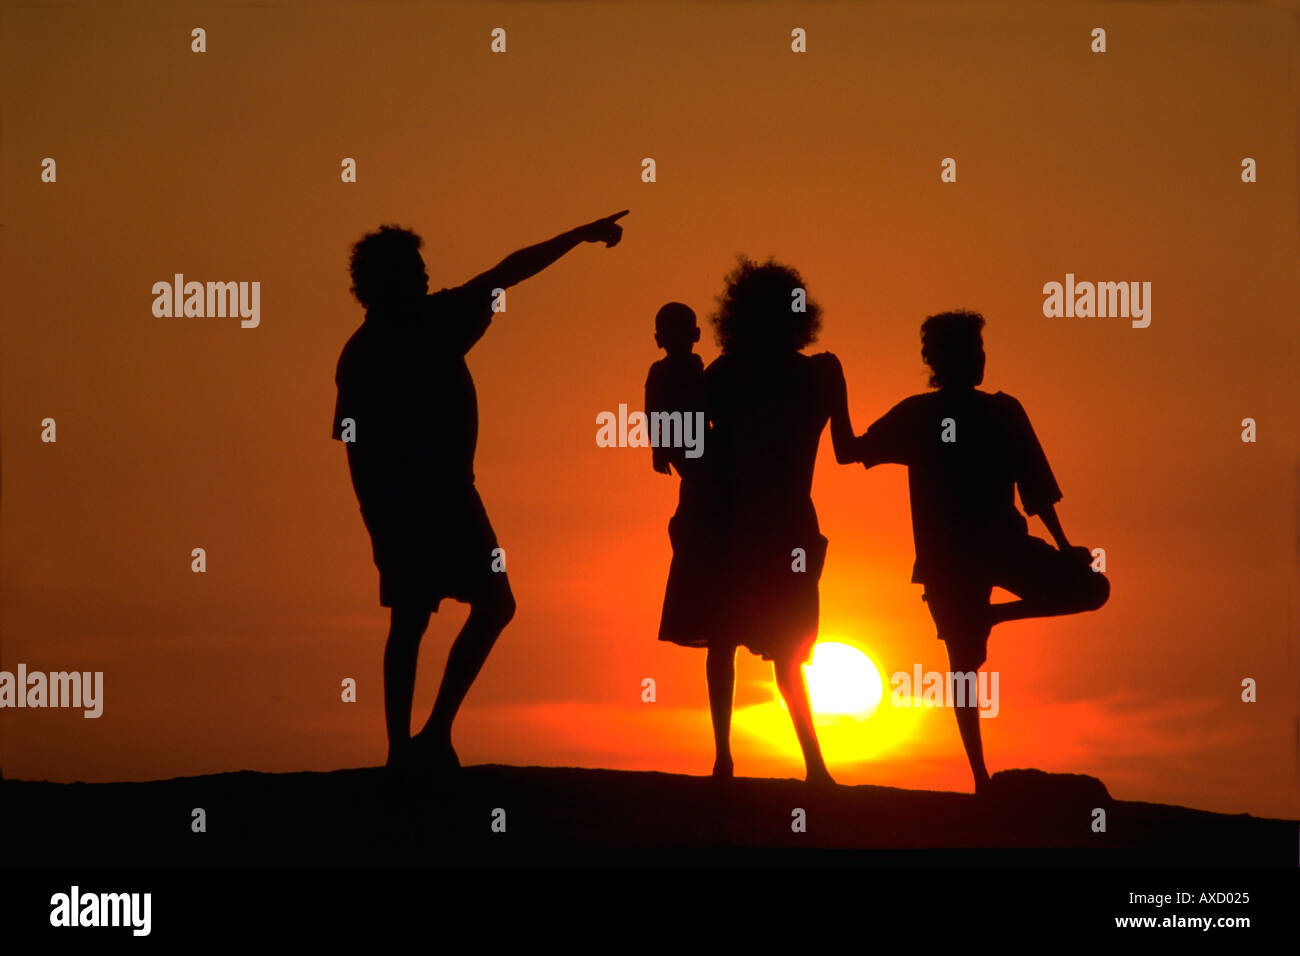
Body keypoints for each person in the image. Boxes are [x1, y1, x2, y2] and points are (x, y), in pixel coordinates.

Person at [332, 210, 628, 775]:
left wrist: (576, 234)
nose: (424, 275)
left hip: (425, 497)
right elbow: (506, 273)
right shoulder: (401, 334)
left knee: (440, 614)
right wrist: (577, 234)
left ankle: (421, 740)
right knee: (450, 612)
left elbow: (507, 272)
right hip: (426, 497)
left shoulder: (388, 336)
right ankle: (416, 743)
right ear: (388, 278)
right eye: (414, 269)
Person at [855, 310, 1109, 794]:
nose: (979, 359)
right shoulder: (919, 415)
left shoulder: (999, 410)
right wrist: (833, 390)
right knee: (963, 668)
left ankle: (995, 618)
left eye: (980, 350)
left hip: (998, 546)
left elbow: (1037, 491)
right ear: (942, 360)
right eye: (970, 352)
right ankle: (979, 777)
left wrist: (1065, 548)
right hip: (952, 560)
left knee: (1093, 587)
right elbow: (852, 452)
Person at [662, 256, 858, 786]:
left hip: (732, 522)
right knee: (787, 653)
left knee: (728, 640)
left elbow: (687, 448)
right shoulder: (821, 373)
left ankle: (725, 759)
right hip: (784, 522)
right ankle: (812, 766)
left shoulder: (726, 374)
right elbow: (847, 449)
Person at [645, 302, 715, 652]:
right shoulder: (664, 371)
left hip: (694, 443)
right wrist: (658, 448)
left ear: (696, 336)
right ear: (659, 339)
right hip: (685, 443)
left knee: (696, 497)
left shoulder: (696, 368)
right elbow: (652, 409)